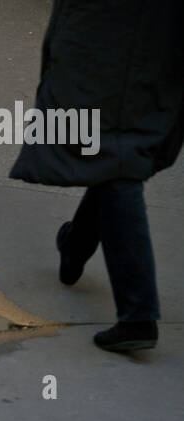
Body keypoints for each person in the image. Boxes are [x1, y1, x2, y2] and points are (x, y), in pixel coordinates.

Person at [10, 0, 184, 352]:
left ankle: (138, 316)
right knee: (119, 142)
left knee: (109, 144)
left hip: (107, 27)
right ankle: (75, 244)